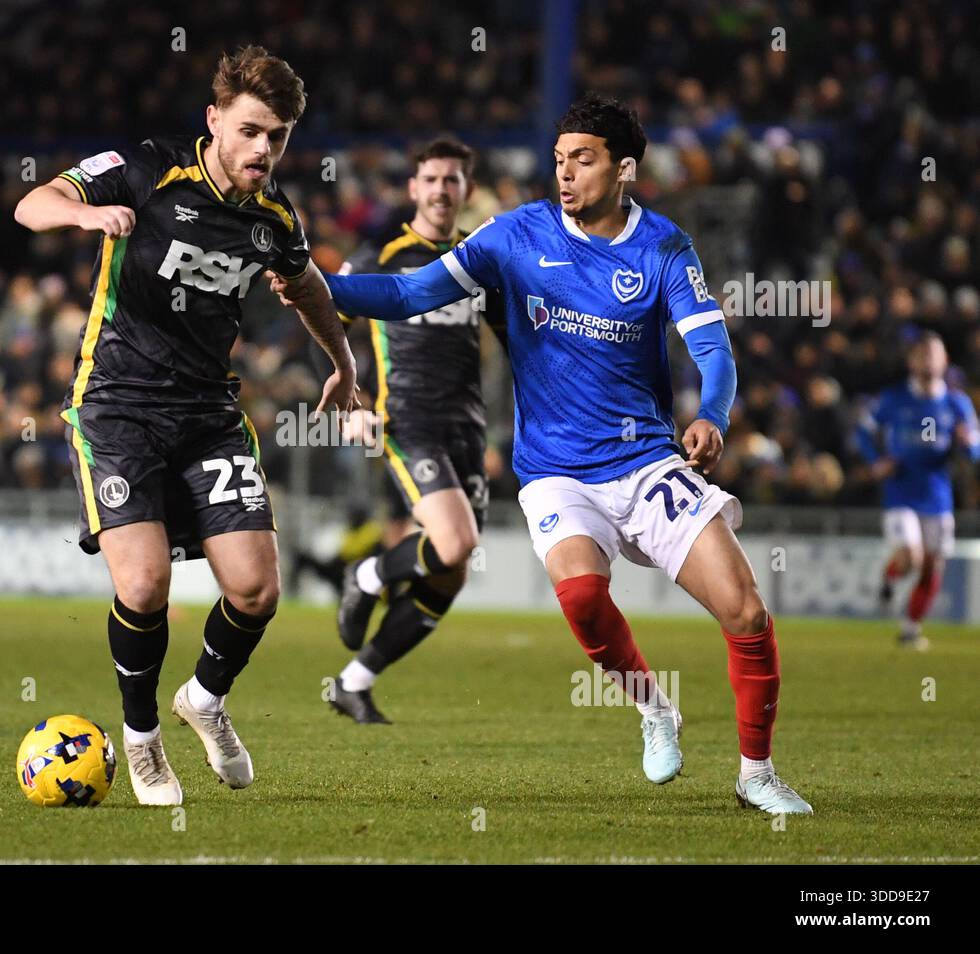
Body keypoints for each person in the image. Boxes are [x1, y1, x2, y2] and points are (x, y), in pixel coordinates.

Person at [277, 94, 813, 815]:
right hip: (556, 471)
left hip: (648, 461)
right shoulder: (513, 236)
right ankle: (656, 710)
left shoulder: (663, 247)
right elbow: (408, 293)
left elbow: (712, 348)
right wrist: (318, 284)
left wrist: (711, 414)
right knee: (587, 600)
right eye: (559, 160)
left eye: (582, 160)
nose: (564, 175)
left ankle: (756, 774)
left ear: (624, 168)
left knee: (746, 610)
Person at [14, 46, 357, 805]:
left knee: (257, 589)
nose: (265, 149)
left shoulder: (272, 217)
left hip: (208, 414)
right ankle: (140, 743)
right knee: (143, 585)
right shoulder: (144, 169)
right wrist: (84, 212)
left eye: (279, 135)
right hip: (118, 405)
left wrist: (345, 362)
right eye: (251, 131)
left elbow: (307, 286)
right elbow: (30, 204)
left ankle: (204, 697)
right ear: (214, 123)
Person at [331, 137, 506, 724]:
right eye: (430, 179)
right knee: (456, 544)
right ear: (413, 188)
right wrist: (351, 402)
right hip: (405, 421)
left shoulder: (476, 260)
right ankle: (370, 572)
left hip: (468, 429)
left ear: (467, 190)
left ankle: (354, 682)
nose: (440, 190)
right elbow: (324, 324)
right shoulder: (381, 255)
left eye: (452, 180)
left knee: (449, 573)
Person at [857, 331, 980, 650]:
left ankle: (911, 629)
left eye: (933, 355)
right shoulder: (894, 398)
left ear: (945, 361)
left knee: (932, 565)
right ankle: (890, 576)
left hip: (938, 494)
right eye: (922, 355)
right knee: (911, 555)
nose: (928, 360)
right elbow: (863, 430)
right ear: (912, 361)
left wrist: (969, 445)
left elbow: (975, 448)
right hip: (901, 491)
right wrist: (876, 461)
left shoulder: (957, 403)